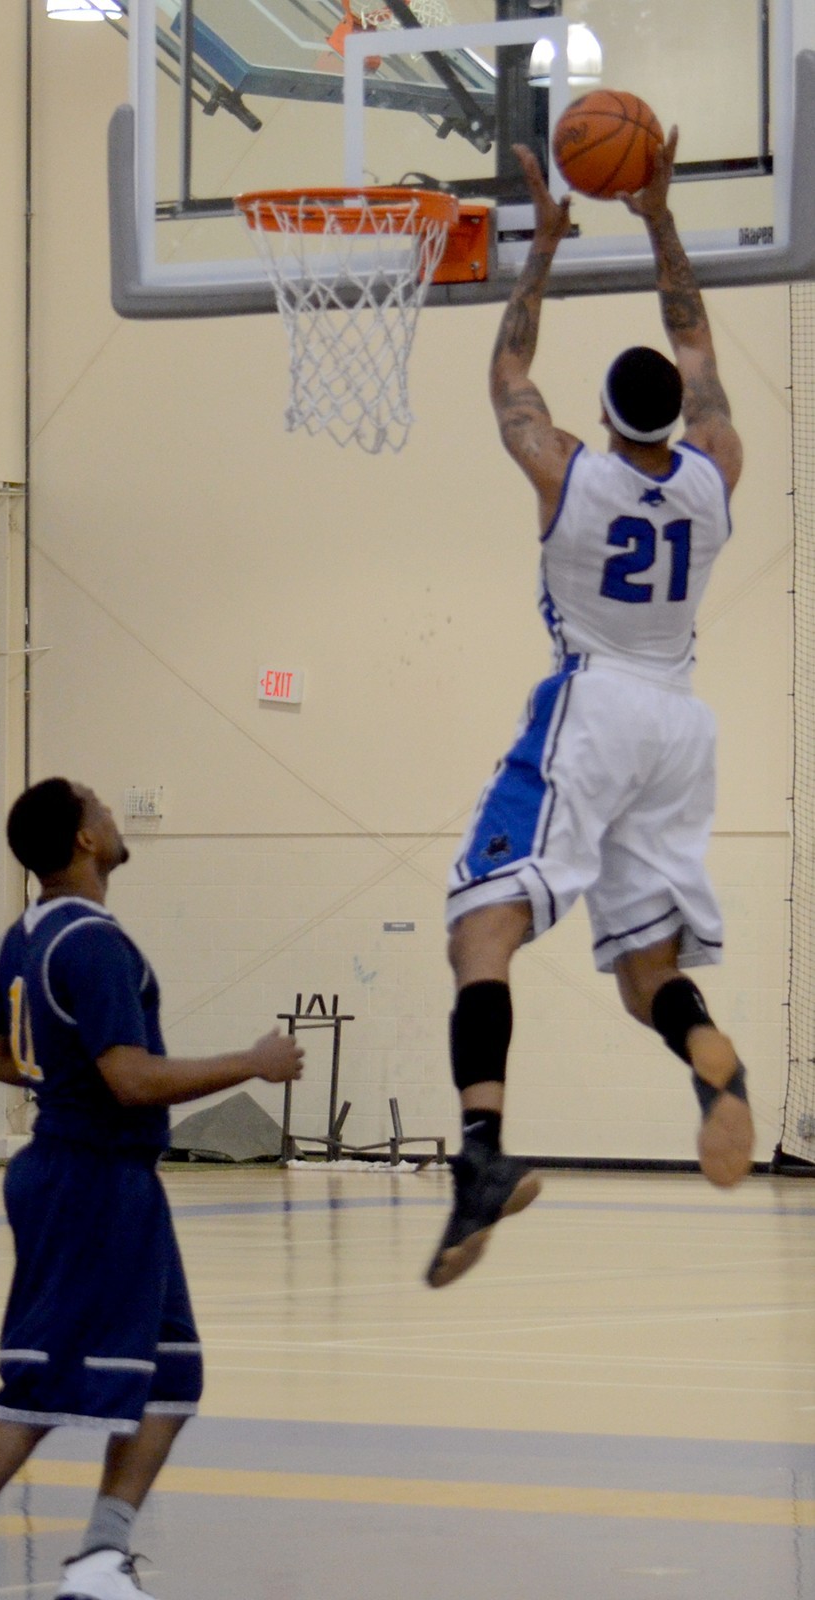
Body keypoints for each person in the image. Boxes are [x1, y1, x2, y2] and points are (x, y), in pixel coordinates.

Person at [426, 131, 754, 1291]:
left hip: (595, 709)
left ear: (607, 419)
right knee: (640, 968)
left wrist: (542, 250)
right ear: (675, 419)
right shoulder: (717, 461)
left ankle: (478, 1151)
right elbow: (697, 342)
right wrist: (659, 216)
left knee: (482, 925)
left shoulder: (566, 468)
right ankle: (710, 1063)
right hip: (681, 725)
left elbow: (507, 378)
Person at [0, 777, 304, 1600]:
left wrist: (61, 1082)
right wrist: (251, 1064)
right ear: (83, 839)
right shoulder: (92, 944)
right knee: (38, 1383)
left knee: (172, 1376)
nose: (112, 817)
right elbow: (133, 1080)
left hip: (105, 1179)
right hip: (86, 1182)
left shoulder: (26, 935)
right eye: (101, 807)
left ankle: (102, 1560)